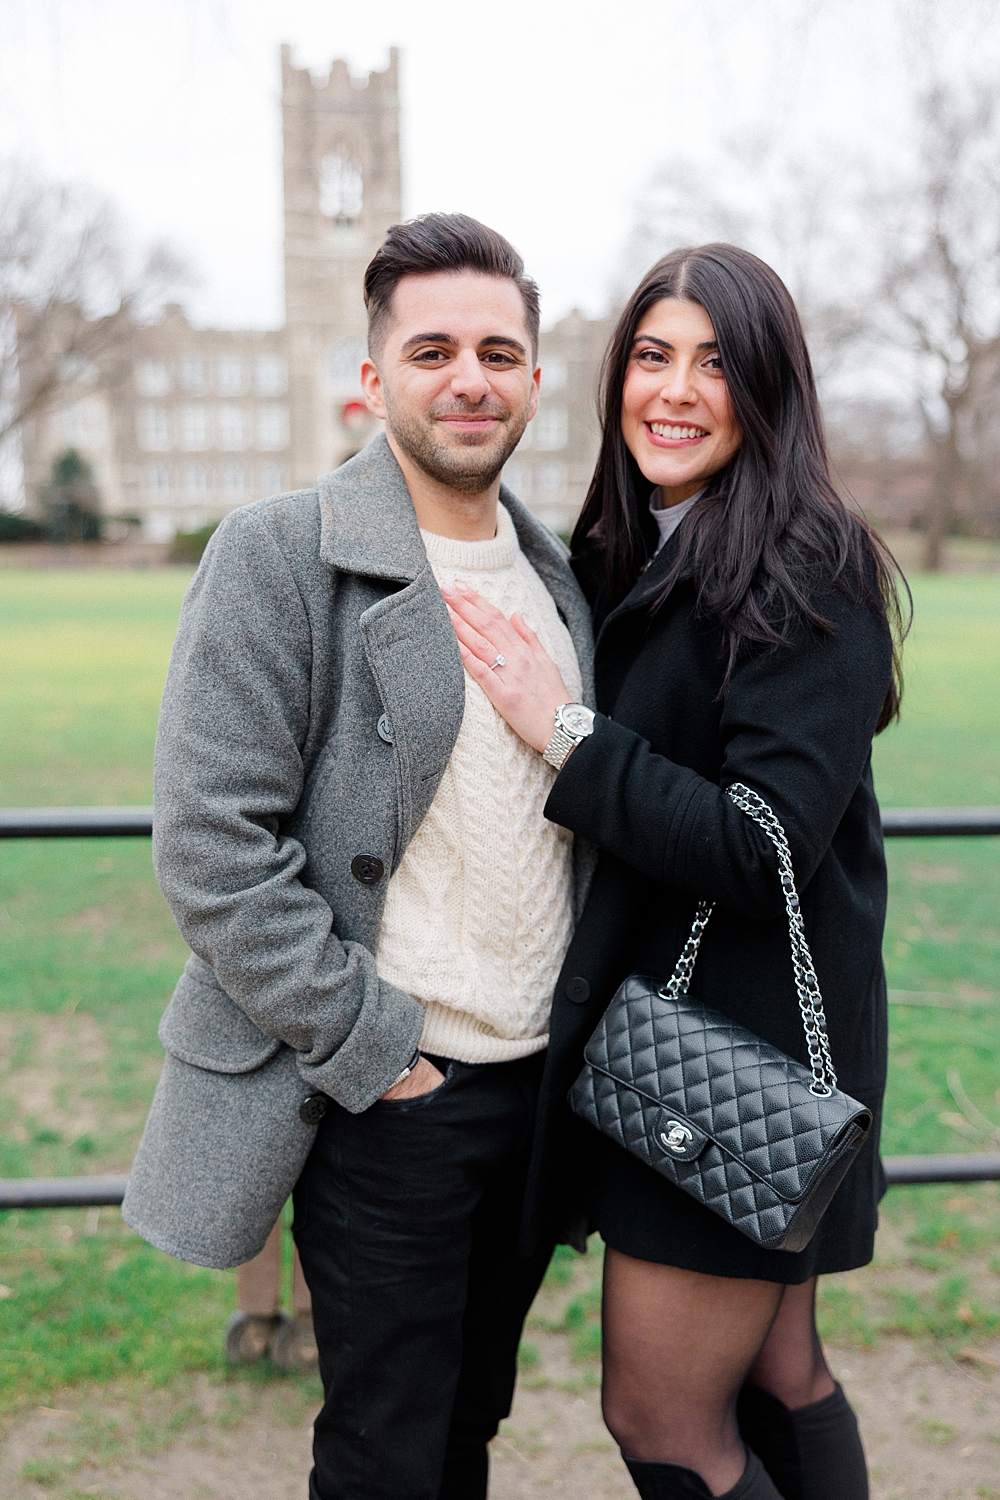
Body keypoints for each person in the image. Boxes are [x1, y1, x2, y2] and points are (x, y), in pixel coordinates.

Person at [122, 212, 596, 1500]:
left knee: (466, 1430)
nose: (470, 378)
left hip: (535, 1090)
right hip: (387, 1090)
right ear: (374, 377)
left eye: (500, 353)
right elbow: (213, 846)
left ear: (535, 384)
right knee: (384, 1450)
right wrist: (376, 1051)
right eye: (432, 349)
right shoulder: (276, 556)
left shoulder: (561, 582)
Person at [444, 243, 906, 1500]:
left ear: (769, 391)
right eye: (652, 356)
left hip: (726, 1066)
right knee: (778, 1377)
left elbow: (763, 844)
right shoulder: (643, 544)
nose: (675, 390)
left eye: (716, 363)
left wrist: (566, 731)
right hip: (718, 1047)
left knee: (660, 1420)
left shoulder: (805, 563)